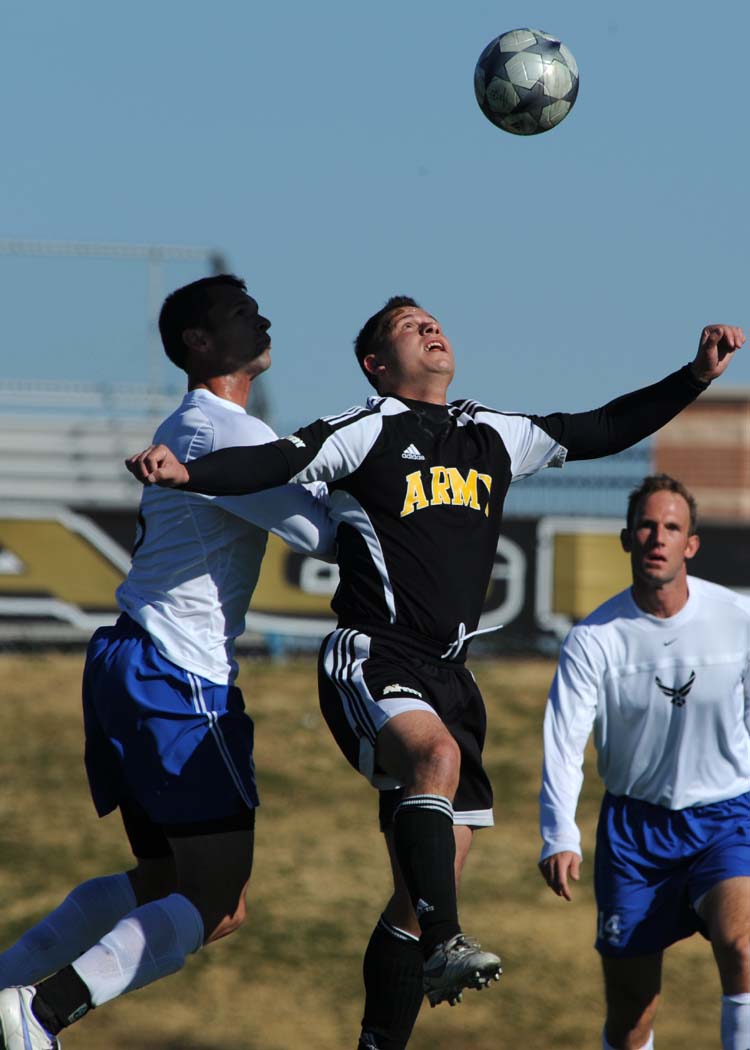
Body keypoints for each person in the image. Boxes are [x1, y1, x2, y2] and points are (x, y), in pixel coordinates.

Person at [126, 297, 743, 1050]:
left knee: (423, 890)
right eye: (408, 326)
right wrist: (192, 470)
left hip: (452, 676)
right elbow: (279, 460)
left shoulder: (495, 433)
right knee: (436, 760)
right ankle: (448, 944)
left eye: (433, 320)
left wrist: (693, 377)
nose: (431, 328)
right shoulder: (365, 429)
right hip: (373, 653)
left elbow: (601, 428)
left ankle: (382, 1035)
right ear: (376, 364)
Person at [0, 274, 336, 1050]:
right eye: (243, 314)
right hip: (174, 675)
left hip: (128, 659)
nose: (265, 320)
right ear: (200, 343)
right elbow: (326, 540)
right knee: (217, 899)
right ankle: (38, 1016)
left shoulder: (190, 425)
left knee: (163, 885)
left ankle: (8, 984)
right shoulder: (225, 433)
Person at [538, 474, 750, 1050]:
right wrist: (559, 833)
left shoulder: (737, 619)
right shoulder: (594, 639)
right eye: (648, 526)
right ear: (627, 539)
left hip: (726, 820)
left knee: (743, 947)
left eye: (673, 527)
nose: (659, 537)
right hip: (635, 835)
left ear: (692, 545)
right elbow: (564, 739)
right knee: (633, 1015)